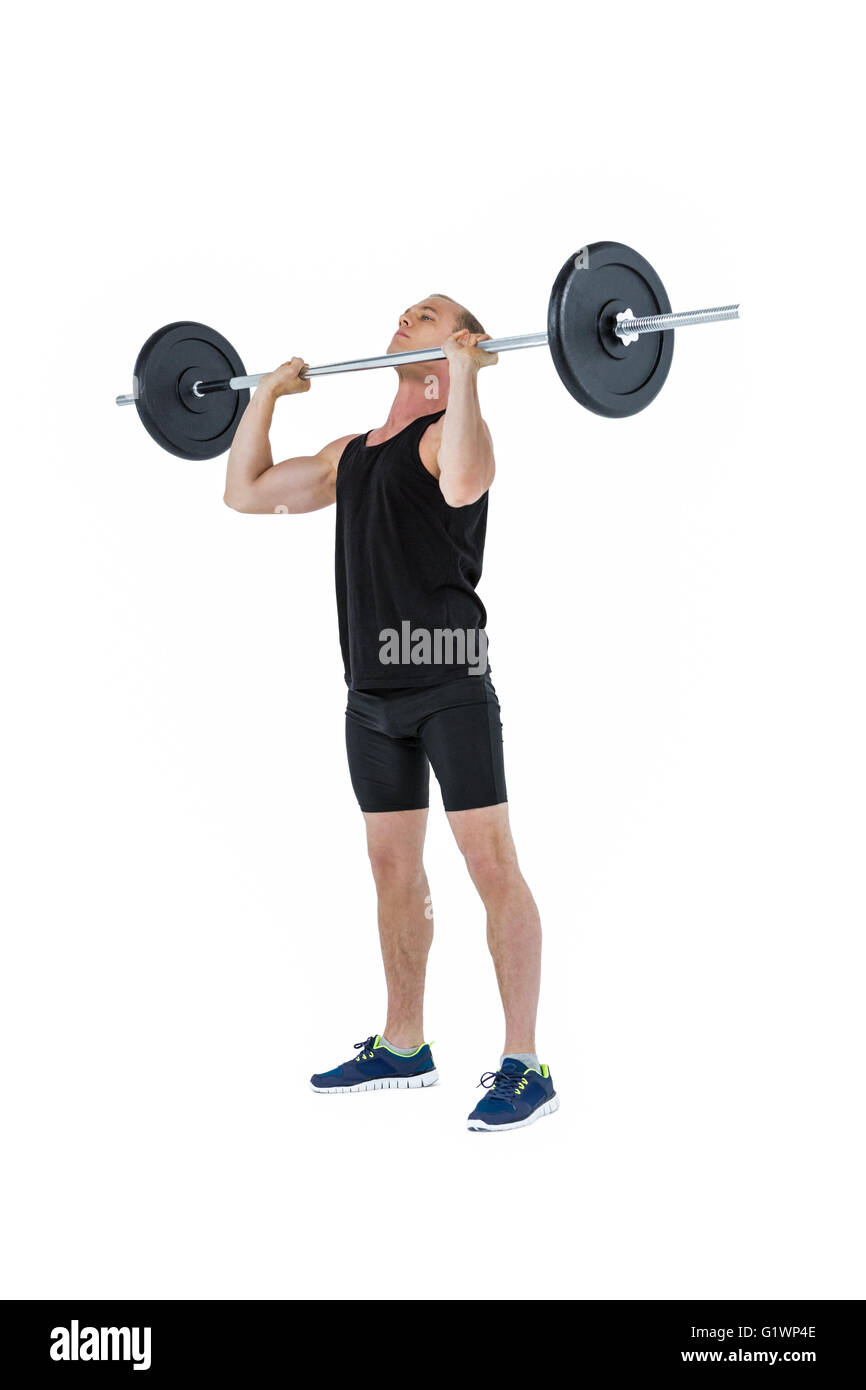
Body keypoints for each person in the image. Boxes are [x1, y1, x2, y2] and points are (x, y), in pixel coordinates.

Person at [223, 295, 558, 1132]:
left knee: (490, 866)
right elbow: (247, 492)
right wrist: (261, 397)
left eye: (431, 315)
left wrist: (467, 382)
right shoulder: (354, 456)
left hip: (447, 680)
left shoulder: (448, 435)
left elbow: (469, 480)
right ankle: (405, 1042)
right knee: (392, 873)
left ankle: (526, 1063)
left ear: (457, 350)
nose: (410, 313)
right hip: (370, 695)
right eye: (409, 309)